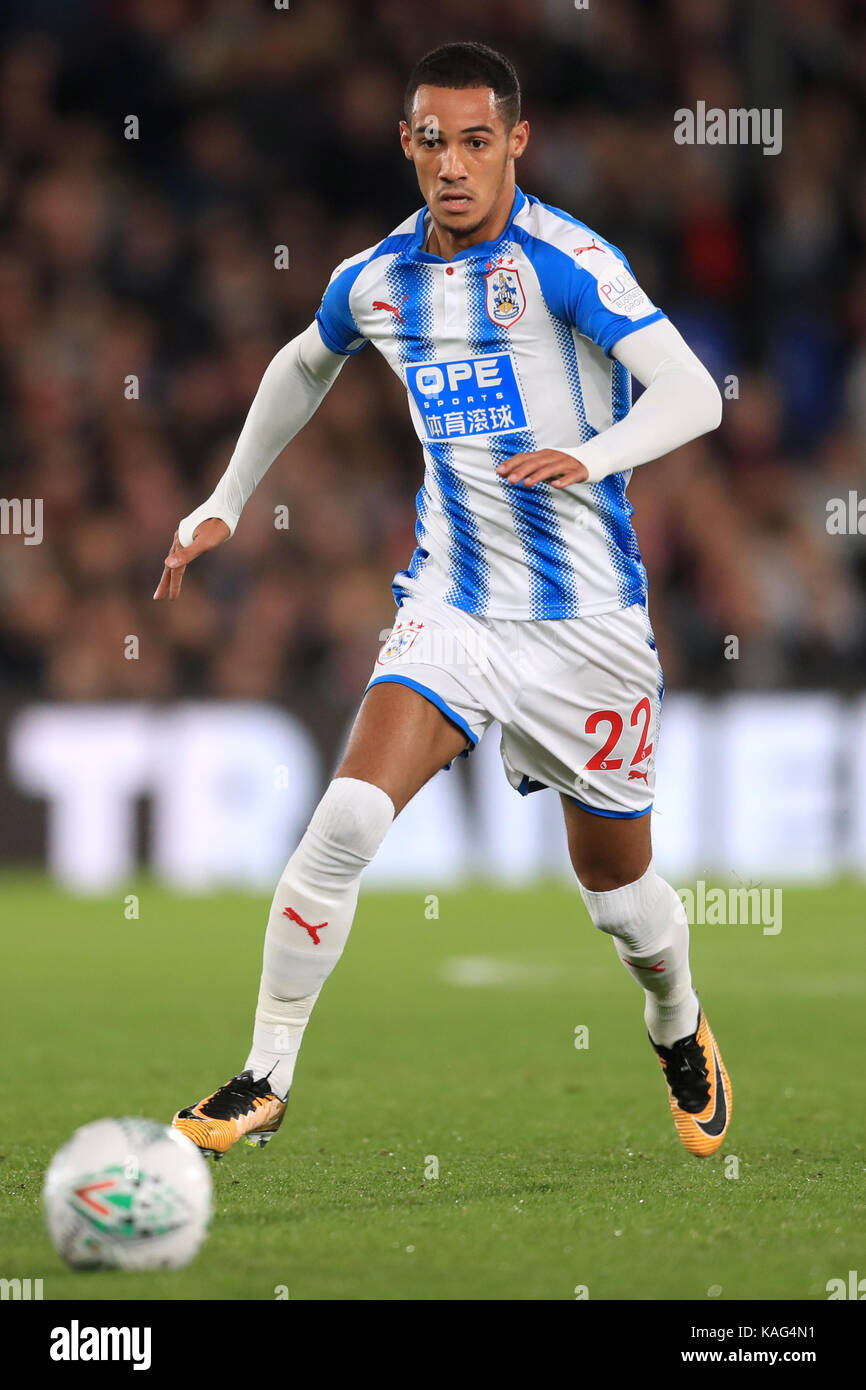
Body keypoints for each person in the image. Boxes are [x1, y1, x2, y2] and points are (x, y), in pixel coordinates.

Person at [156, 41, 729, 1161]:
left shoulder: (567, 260)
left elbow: (692, 393)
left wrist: (592, 453)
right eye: (432, 140)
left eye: (476, 140)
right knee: (344, 824)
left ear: (516, 142)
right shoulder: (377, 278)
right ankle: (263, 1075)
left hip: (586, 629)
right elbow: (301, 361)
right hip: (452, 606)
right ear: (406, 144)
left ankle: (675, 1023)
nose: (452, 163)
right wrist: (225, 497)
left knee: (618, 895)